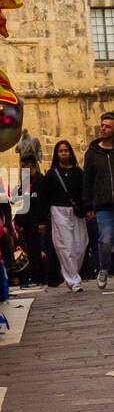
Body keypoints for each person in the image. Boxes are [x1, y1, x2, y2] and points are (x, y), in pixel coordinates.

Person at [43, 140, 87, 293]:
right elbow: (45, 197)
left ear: (70, 153)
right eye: (60, 151)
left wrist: (88, 210)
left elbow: (84, 193)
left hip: (77, 212)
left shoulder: (78, 172)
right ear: (56, 154)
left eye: (66, 150)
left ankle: (71, 273)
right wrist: (43, 220)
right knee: (65, 246)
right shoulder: (51, 174)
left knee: (80, 246)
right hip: (59, 211)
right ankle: (74, 280)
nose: (63, 153)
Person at [83, 111, 114, 289]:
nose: (103, 128)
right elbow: (87, 180)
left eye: (107, 126)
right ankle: (103, 268)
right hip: (104, 205)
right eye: (102, 125)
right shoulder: (92, 153)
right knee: (106, 239)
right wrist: (88, 205)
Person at [12, 140, 49, 288]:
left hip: (37, 222)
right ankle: (36, 277)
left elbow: (42, 203)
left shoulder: (41, 181)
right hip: (27, 223)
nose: (22, 168)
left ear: (32, 165)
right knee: (32, 252)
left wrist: (42, 222)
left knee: (41, 250)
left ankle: (43, 277)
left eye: (25, 165)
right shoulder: (27, 181)